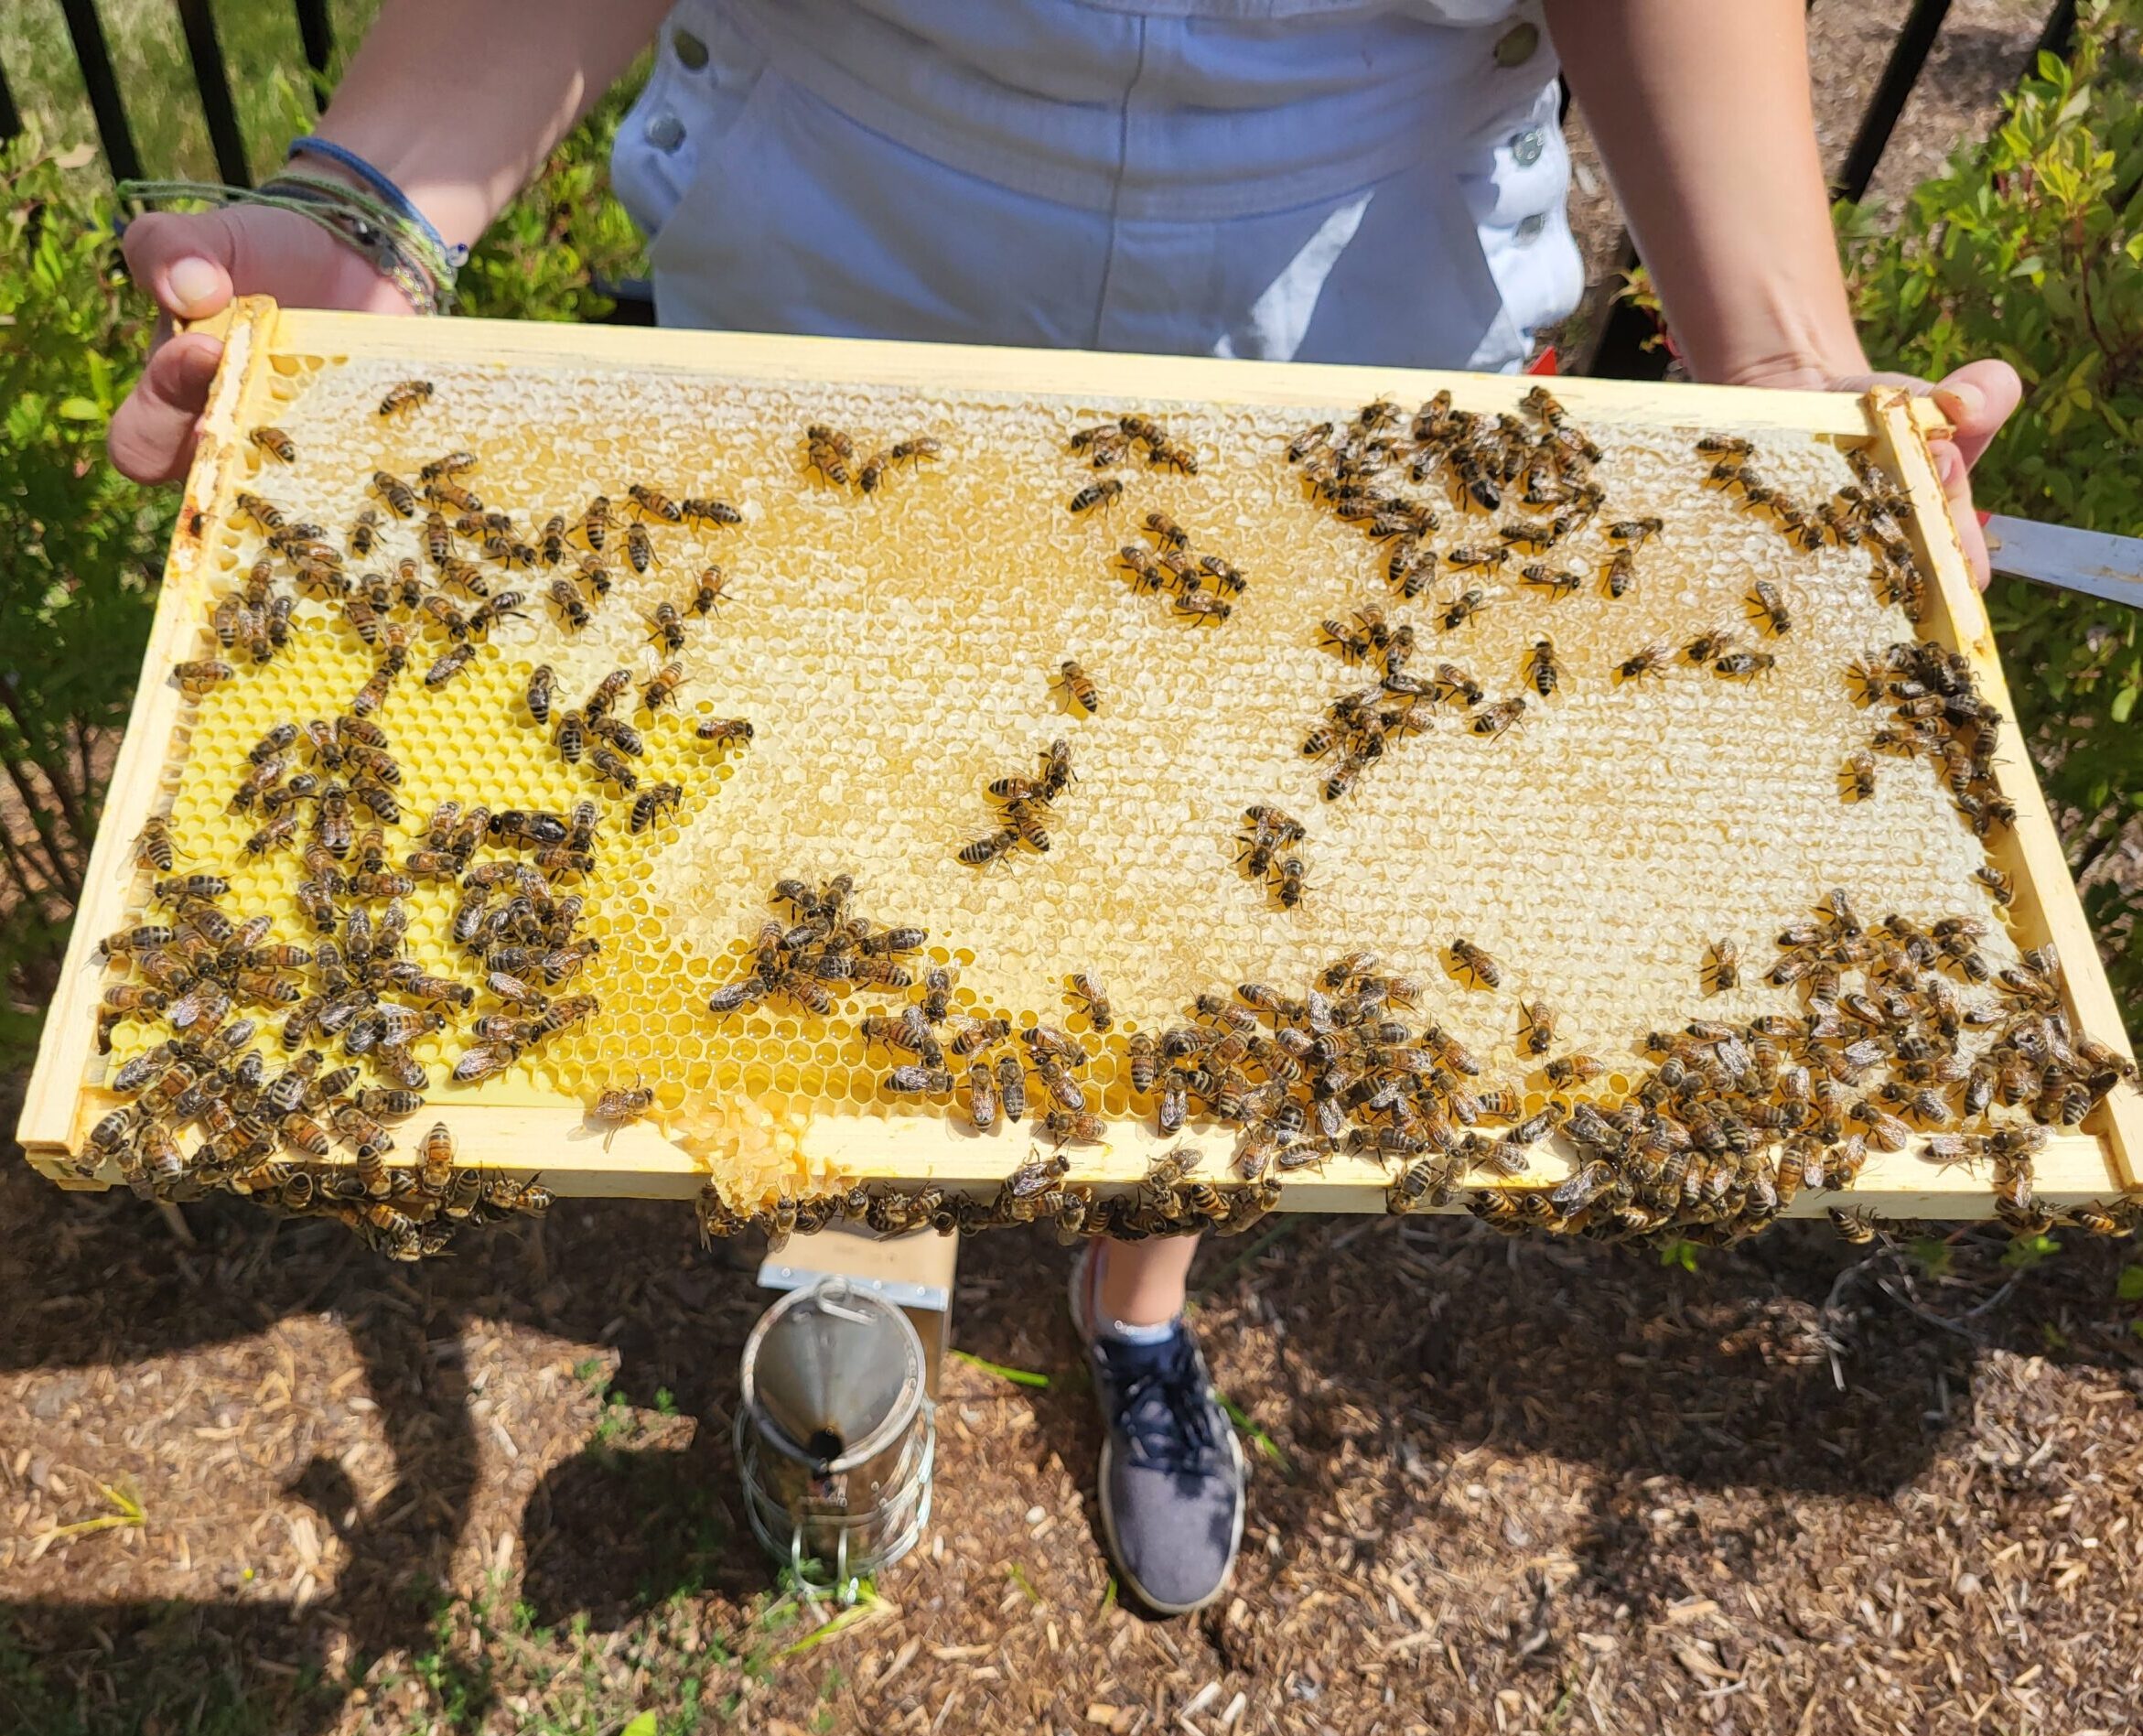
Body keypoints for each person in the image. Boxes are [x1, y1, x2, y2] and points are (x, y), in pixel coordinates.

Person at [110, 0, 2021, 1619]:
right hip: (831, 249)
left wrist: (1786, 383)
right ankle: (860, 1251)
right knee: (827, 875)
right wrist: (383, 189)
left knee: (1248, 932)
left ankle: (1134, 1312)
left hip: (1356, 313)